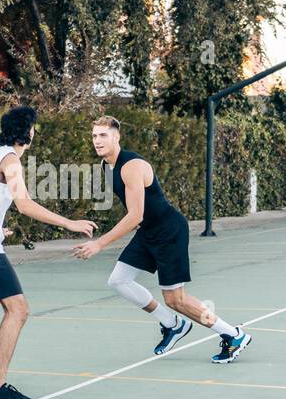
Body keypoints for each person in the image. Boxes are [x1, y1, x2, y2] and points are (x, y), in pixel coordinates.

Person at [74, 115, 252, 363]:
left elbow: (136, 214)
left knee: (175, 299)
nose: (97, 140)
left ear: (117, 137)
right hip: (148, 232)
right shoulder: (108, 166)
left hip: (169, 231)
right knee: (119, 281)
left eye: (103, 135)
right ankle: (172, 325)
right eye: (94, 135)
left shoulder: (131, 166)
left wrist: (99, 243)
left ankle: (233, 335)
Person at [0, 106, 96, 399]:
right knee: (18, 310)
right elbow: (25, 205)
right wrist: (70, 223)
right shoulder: (12, 162)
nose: (35, 132)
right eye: (34, 127)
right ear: (27, 131)